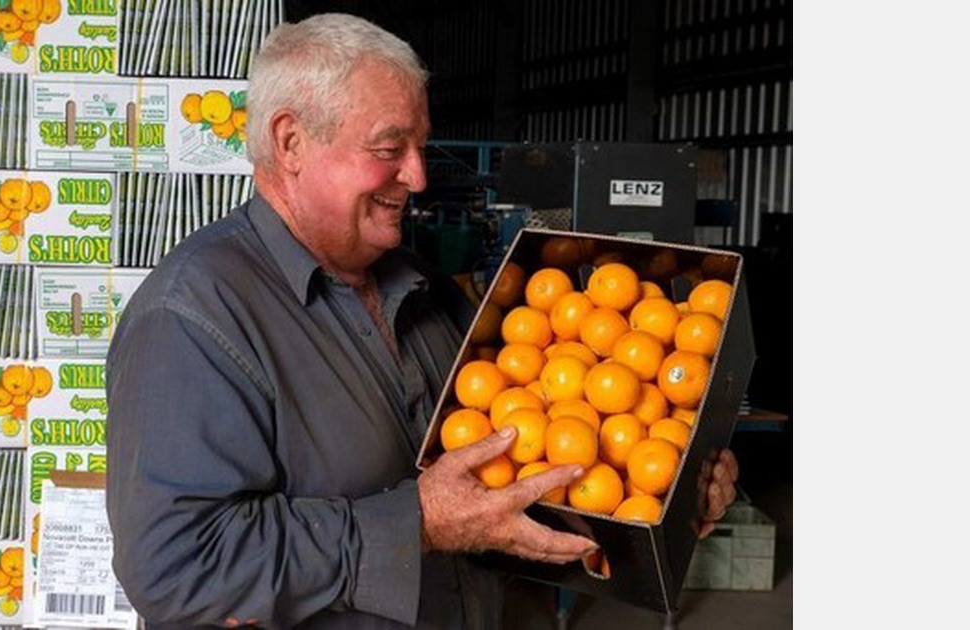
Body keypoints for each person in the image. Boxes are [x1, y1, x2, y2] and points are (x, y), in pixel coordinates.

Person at [105, 12, 739, 629]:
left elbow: (521, 462)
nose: (418, 176)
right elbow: (176, 568)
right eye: (390, 148)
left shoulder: (424, 288)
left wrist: (667, 487)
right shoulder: (192, 318)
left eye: (419, 146)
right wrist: (418, 523)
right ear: (291, 142)